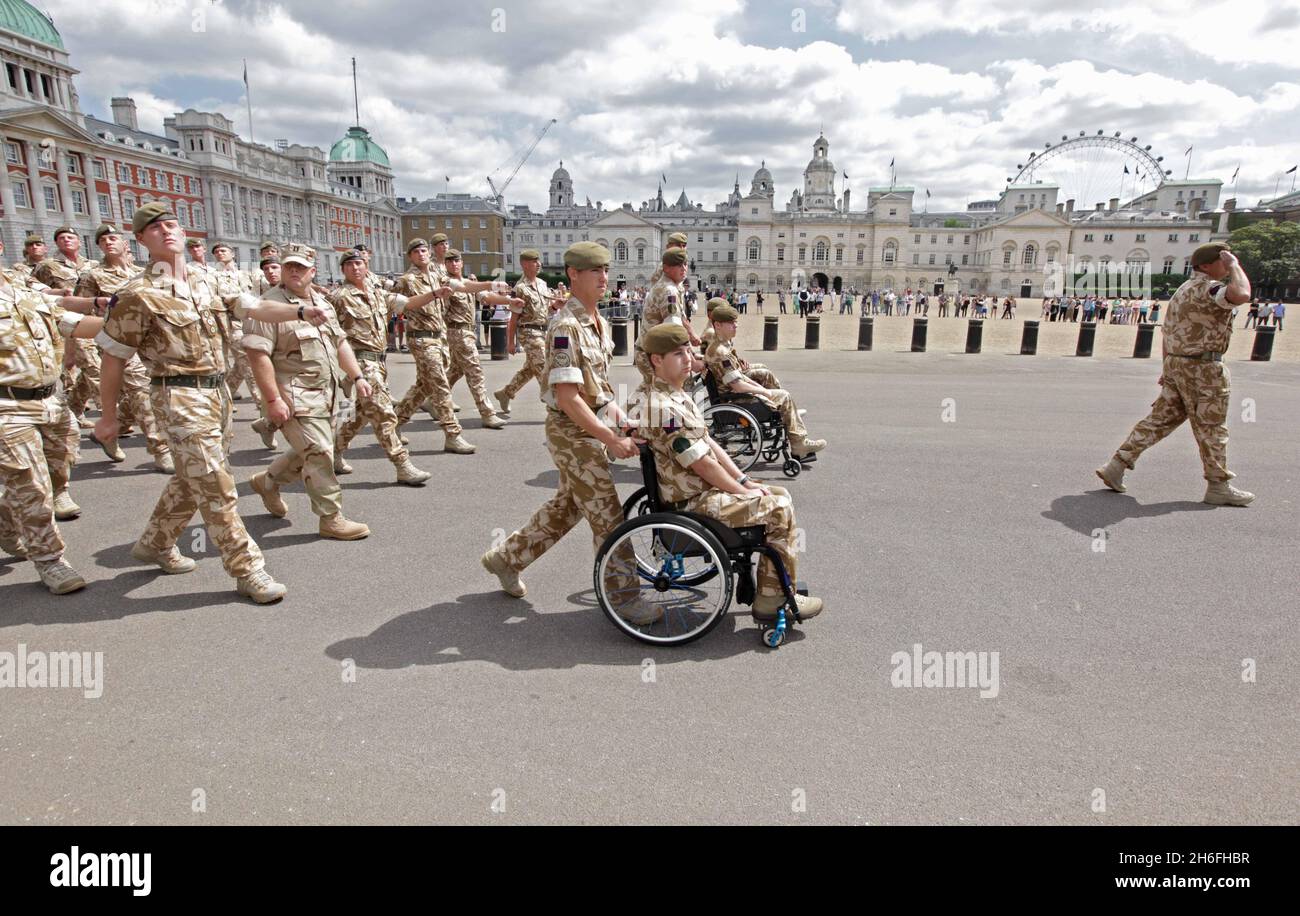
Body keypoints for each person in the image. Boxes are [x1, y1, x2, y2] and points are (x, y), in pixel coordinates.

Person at [95, 203, 317, 602]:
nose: (167, 231)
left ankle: (156, 541)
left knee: (192, 474)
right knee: (216, 483)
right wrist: (107, 417)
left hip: (218, 393)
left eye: (171, 224)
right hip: (177, 394)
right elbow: (112, 358)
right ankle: (248, 568)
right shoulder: (136, 294)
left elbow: (252, 307)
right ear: (141, 240)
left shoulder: (206, 279)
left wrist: (299, 310)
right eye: (155, 228)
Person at [481, 242, 652, 622]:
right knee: (607, 515)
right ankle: (624, 598)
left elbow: (599, 389)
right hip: (570, 432)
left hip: (589, 425)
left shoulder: (599, 322)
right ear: (573, 275)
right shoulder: (565, 328)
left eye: (606, 270)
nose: (604, 278)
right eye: (595, 271)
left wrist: (623, 421)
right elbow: (569, 398)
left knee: (570, 505)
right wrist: (611, 439)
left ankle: (507, 558)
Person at [631, 323, 823, 621]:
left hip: (702, 489)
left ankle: (775, 586)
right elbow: (701, 464)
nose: (689, 358)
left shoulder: (674, 395)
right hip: (692, 500)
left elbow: (710, 444)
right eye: (678, 354)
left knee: (779, 492)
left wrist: (743, 480)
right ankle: (772, 600)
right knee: (778, 508)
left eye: (688, 352)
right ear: (657, 360)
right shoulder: (664, 407)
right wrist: (741, 491)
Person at [1096, 243, 1255, 506]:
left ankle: (1117, 465)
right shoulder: (1211, 289)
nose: (1227, 265)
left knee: (1160, 420)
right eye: (1222, 260)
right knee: (1212, 426)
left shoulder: (1183, 290)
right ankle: (1219, 485)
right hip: (1204, 368)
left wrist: (1166, 366)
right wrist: (1236, 266)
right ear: (1205, 265)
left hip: (1178, 364)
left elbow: (1167, 331)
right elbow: (1242, 294)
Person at [0, 264, 113, 593]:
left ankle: (6, 523)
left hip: (52, 400)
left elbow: (72, 323)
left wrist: (121, 325)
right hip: (8, 408)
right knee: (32, 486)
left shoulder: (22, 291)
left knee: (58, 468)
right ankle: (50, 560)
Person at [75, 223, 174, 474]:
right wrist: (75, 349)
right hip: (116, 342)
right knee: (141, 390)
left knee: (145, 391)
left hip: (148, 343)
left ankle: (111, 430)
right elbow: (77, 312)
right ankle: (160, 448)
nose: (108, 243)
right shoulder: (92, 275)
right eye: (103, 241)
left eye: (113, 238)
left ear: (125, 244)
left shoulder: (142, 273)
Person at [391, 237, 504, 454]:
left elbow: (463, 286)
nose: (421, 254)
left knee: (423, 387)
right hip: (421, 338)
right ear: (410, 257)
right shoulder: (406, 280)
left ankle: (393, 424)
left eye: (424, 250)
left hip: (439, 338)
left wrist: (491, 284)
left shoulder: (437, 275)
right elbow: (397, 306)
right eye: (416, 252)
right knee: (441, 386)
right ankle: (453, 434)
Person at [330, 250, 434, 486]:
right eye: (349, 265)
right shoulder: (339, 297)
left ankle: (333, 452)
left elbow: (407, 304)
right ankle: (402, 464)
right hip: (361, 363)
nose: (355, 268)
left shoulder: (377, 293)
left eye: (359, 263)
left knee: (359, 414)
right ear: (343, 270)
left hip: (379, 361)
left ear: (366, 266)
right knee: (384, 414)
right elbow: (329, 334)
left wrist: (435, 294)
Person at [705, 304, 825, 457]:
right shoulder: (720, 352)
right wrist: (763, 391)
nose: (736, 325)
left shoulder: (721, 346)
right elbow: (738, 386)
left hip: (732, 396)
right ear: (718, 325)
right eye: (731, 323)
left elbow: (739, 378)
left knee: (776, 391)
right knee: (784, 396)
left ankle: (790, 418)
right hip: (735, 401)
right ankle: (799, 444)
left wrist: (763, 390)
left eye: (736, 322)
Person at [441, 249, 518, 429]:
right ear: (445, 264)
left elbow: (485, 298)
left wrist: (509, 301)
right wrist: (489, 283)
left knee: (456, 370)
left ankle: (430, 397)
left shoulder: (469, 281)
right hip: (457, 331)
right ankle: (487, 413)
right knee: (475, 372)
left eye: (456, 260)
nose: (453, 264)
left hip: (468, 331)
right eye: (449, 261)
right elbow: (470, 288)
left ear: (461, 262)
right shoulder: (446, 281)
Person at [495, 248, 560, 415]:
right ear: (524, 264)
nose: (538, 264)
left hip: (544, 331)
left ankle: (506, 393)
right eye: (534, 261)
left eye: (538, 261)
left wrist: (554, 306)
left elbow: (545, 310)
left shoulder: (543, 284)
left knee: (530, 368)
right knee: (542, 367)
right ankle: (554, 404)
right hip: (528, 332)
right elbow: (514, 318)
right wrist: (510, 342)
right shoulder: (520, 289)